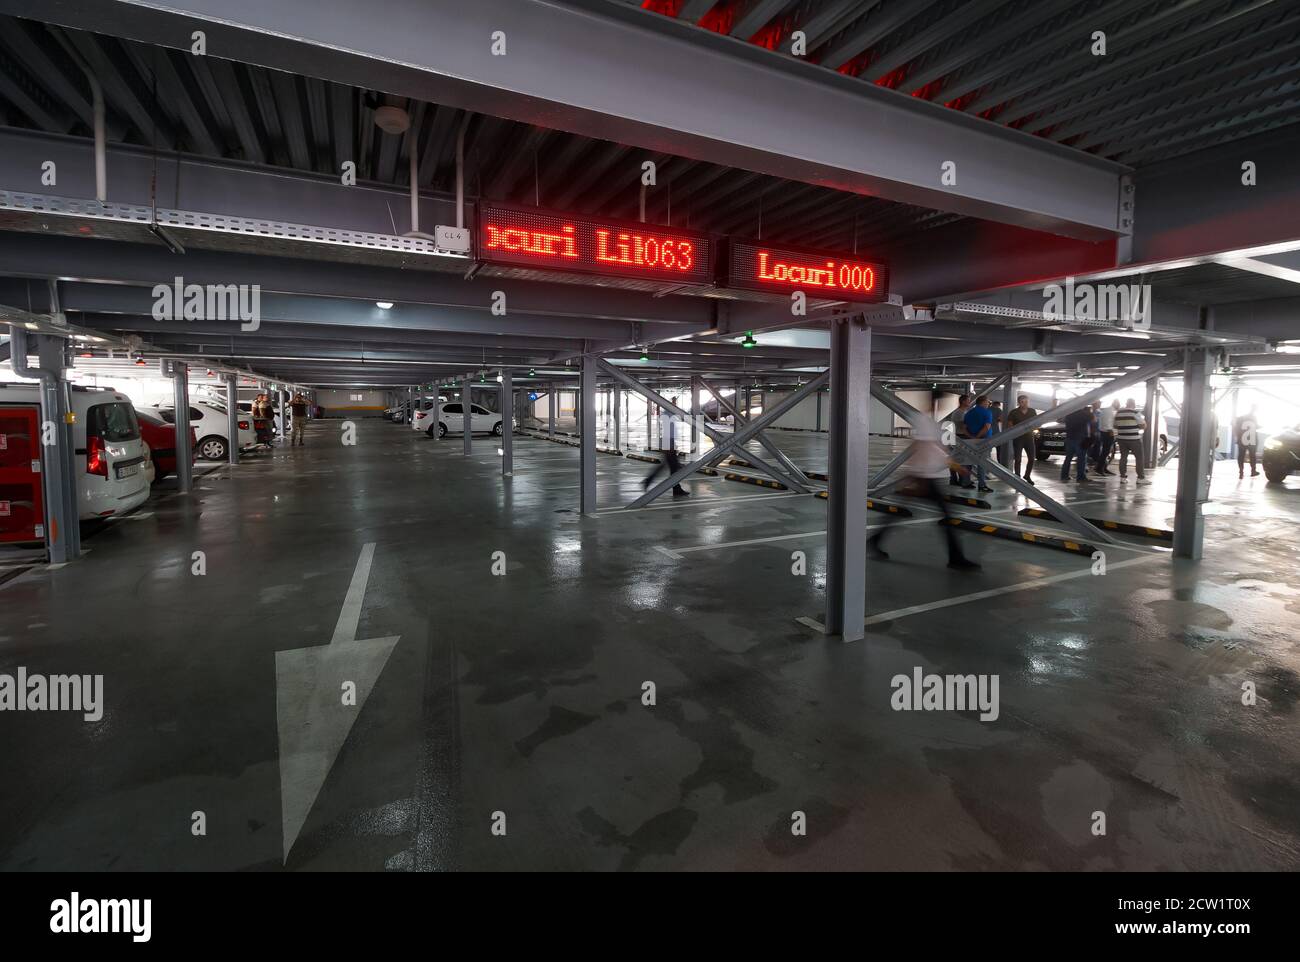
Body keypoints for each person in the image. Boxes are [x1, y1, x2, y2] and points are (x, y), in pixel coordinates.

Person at [867, 417, 979, 570]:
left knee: (899, 513)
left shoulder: (932, 423)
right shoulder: (927, 422)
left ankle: (875, 540)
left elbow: (934, 449)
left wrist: (955, 466)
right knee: (946, 516)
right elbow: (922, 448)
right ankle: (955, 558)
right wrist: (920, 479)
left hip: (925, 476)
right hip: (925, 478)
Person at [643, 412, 690, 497]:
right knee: (673, 467)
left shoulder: (669, 413)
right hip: (668, 441)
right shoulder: (669, 414)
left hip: (668, 441)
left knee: (671, 467)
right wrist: (670, 446)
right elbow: (668, 431)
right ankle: (675, 488)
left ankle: (676, 488)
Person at [962, 395, 995, 493]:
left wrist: (971, 437)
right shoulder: (987, 412)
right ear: (983, 402)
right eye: (988, 402)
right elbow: (987, 427)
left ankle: (966, 482)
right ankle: (982, 485)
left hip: (970, 440)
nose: (988, 404)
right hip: (983, 440)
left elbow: (964, 428)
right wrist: (978, 437)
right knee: (982, 463)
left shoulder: (969, 412)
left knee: (968, 462)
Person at [1114, 398, 1150, 484]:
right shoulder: (1135, 413)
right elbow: (1143, 426)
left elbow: (1115, 426)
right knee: (1139, 458)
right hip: (1134, 439)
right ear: (1133, 404)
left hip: (1121, 439)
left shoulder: (1118, 413)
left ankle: (1122, 478)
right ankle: (1140, 478)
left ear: (1126, 404)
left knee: (1123, 457)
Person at [1005, 394, 1038, 484]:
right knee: (1018, 458)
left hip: (1029, 437)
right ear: (1019, 402)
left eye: (1026, 401)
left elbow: (1036, 422)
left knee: (1031, 458)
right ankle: (1017, 476)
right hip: (1018, 438)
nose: (1025, 403)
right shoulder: (1014, 412)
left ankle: (1027, 475)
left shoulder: (1032, 411)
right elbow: (1009, 424)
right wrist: (1014, 432)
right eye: (1023, 402)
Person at [1061, 404, 1094, 483]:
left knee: (1068, 458)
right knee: (1081, 459)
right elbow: (1093, 419)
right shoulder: (1083, 414)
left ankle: (1064, 476)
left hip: (1069, 438)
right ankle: (1081, 477)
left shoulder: (1068, 414)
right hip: (1080, 439)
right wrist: (1090, 410)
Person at [944, 394, 972, 487]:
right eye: (968, 400)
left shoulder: (963, 412)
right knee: (960, 460)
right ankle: (957, 479)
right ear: (963, 401)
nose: (969, 402)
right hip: (960, 437)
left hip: (960, 436)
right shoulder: (959, 413)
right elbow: (963, 426)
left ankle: (957, 479)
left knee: (957, 459)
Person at [1092, 399, 1118, 476]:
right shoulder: (1109, 411)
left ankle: (1103, 468)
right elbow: (1108, 424)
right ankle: (1099, 468)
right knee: (1105, 452)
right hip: (1107, 433)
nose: (1119, 406)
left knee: (1106, 452)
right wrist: (1111, 433)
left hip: (1105, 433)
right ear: (1115, 404)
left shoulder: (1107, 410)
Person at [1235, 405, 1260, 479]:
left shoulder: (1241, 418)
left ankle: (1241, 472)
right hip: (1252, 439)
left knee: (1241, 455)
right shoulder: (1254, 418)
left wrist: (1238, 437)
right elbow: (1256, 426)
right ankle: (1253, 471)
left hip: (1242, 439)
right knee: (1252, 455)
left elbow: (1236, 428)